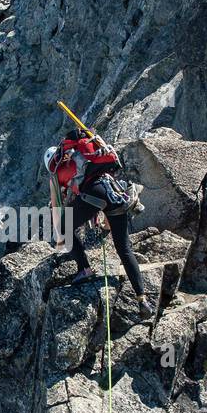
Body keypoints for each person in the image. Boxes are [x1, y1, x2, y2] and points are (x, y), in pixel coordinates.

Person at [44, 128, 155, 321]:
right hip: (113, 191)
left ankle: (84, 268)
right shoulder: (83, 158)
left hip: (92, 195)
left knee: (64, 227)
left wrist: (61, 239)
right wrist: (104, 225)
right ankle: (142, 299)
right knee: (124, 249)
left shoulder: (56, 174)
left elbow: (57, 207)